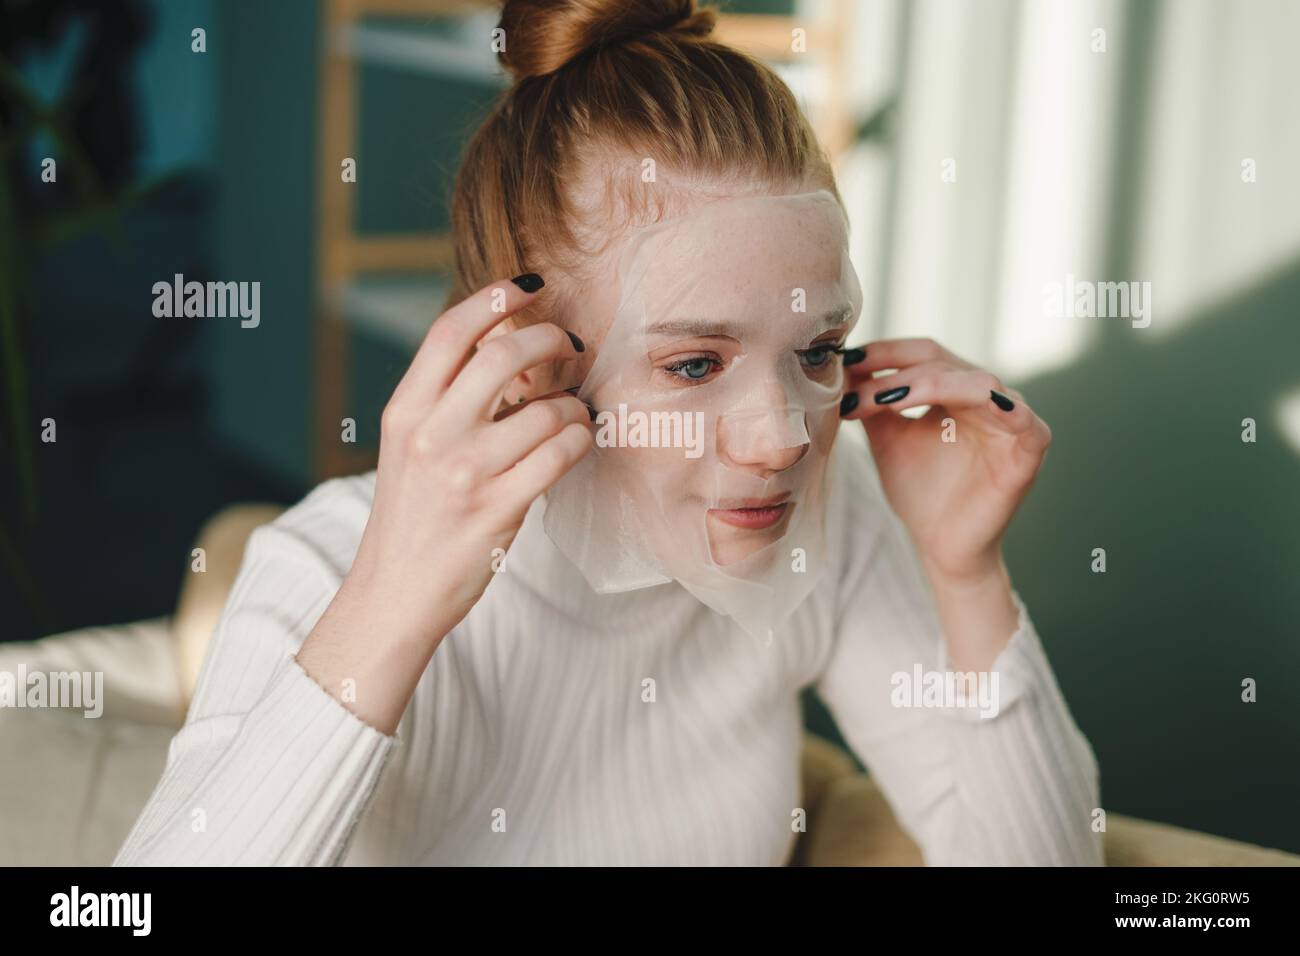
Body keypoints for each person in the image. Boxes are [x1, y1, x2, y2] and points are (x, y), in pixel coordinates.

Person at [114, 0, 1102, 866]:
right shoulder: (326, 560)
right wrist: (392, 602)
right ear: (528, 357)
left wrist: (965, 575)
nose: (780, 443)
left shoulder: (819, 526)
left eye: (816, 349)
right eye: (693, 364)